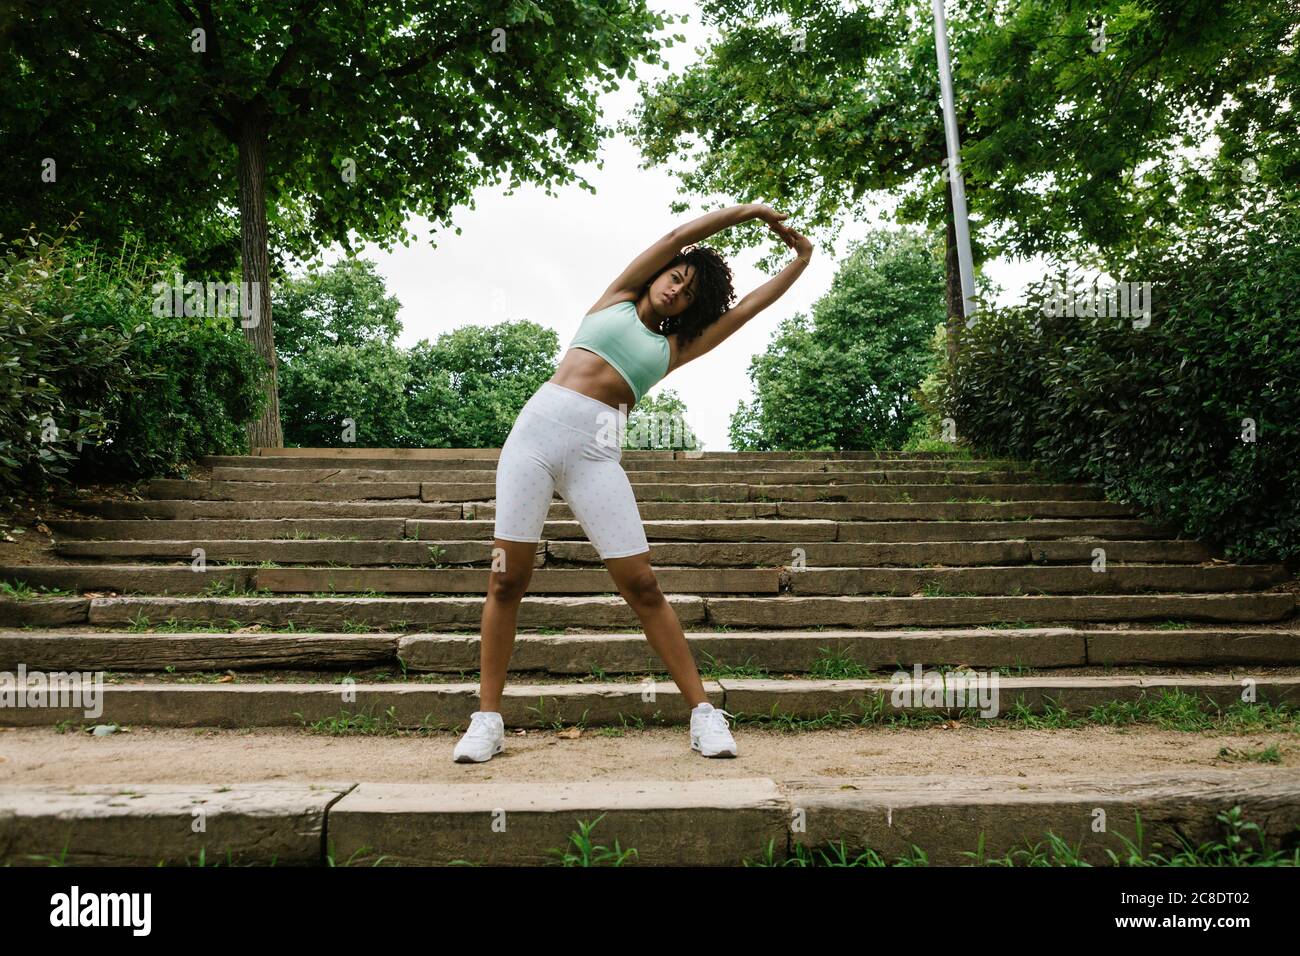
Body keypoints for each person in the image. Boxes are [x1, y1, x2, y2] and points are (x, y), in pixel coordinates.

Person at [454, 202, 813, 762]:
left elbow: (746, 310)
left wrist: (802, 259)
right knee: (507, 580)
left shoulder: (675, 348)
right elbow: (679, 233)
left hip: (597, 453)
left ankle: (703, 714)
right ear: (659, 274)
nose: (676, 290)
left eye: (690, 292)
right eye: (676, 277)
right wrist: (750, 212)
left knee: (641, 583)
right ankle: (487, 720)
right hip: (534, 438)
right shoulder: (617, 297)